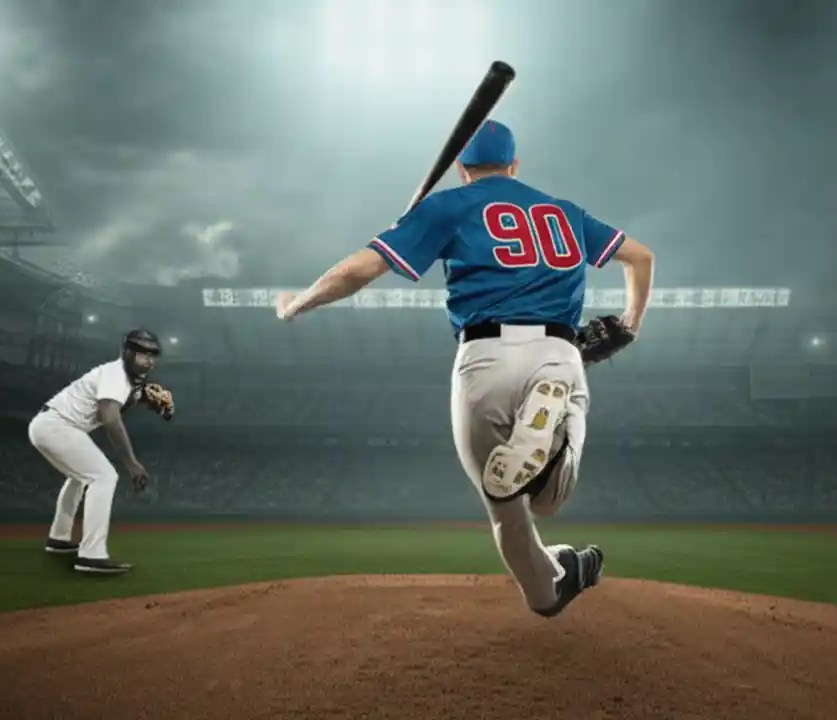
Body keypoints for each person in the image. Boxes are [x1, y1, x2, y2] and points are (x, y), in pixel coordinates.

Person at [276, 119, 655, 617]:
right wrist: (629, 325)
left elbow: (357, 271)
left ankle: (545, 588)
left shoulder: (446, 206)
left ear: (461, 168)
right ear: (514, 165)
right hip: (555, 351)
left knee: (505, 509)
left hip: (482, 358)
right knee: (546, 501)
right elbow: (640, 258)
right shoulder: (564, 213)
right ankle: (548, 449)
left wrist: (296, 304)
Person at [28, 329, 162, 574]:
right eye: (143, 353)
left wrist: (137, 397)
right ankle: (91, 554)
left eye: (153, 355)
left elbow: (112, 409)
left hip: (50, 425)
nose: (149, 359)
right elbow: (110, 418)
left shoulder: (124, 380)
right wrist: (131, 463)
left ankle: (59, 538)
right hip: (57, 426)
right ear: (127, 353)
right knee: (104, 476)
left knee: (79, 478)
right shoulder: (116, 373)